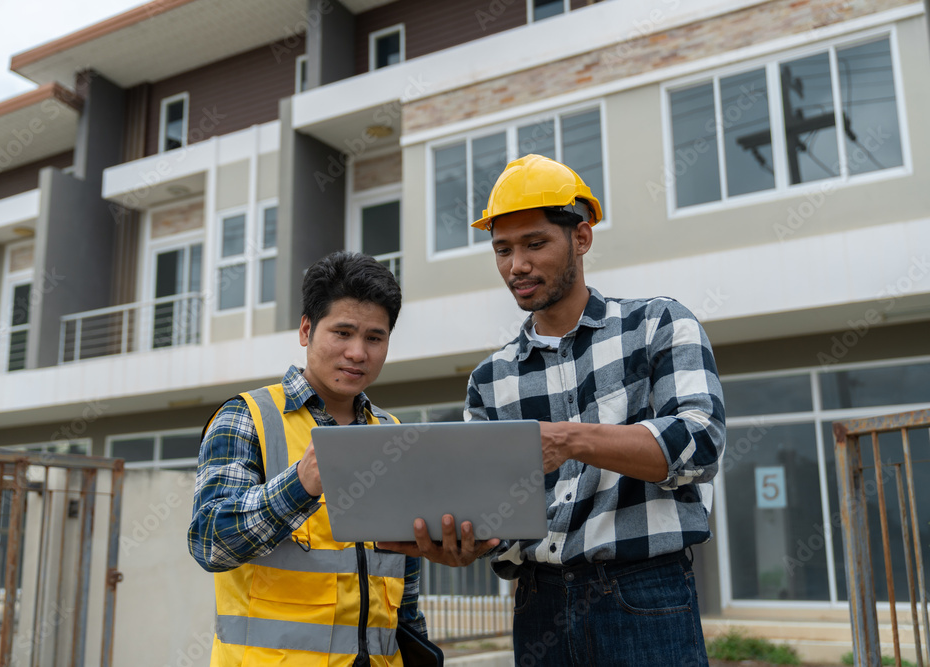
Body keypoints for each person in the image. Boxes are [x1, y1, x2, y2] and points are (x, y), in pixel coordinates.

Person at [383, 155, 725, 666]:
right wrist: (466, 543)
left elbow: (700, 444)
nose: (516, 265)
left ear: (581, 238)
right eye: (503, 250)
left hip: (645, 596)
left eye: (534, 244)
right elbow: (497, 517)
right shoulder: (490, 380)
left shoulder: (658, 326)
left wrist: (568, 440)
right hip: (538, 604)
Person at [188, 250, 425, 667]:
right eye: (342, 332)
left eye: (374, 338)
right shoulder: (247, 417)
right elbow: (210, 542)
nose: (357, 352)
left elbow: (403, 584)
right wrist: (299, 484)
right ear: (306, 330)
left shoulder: (393, 432)